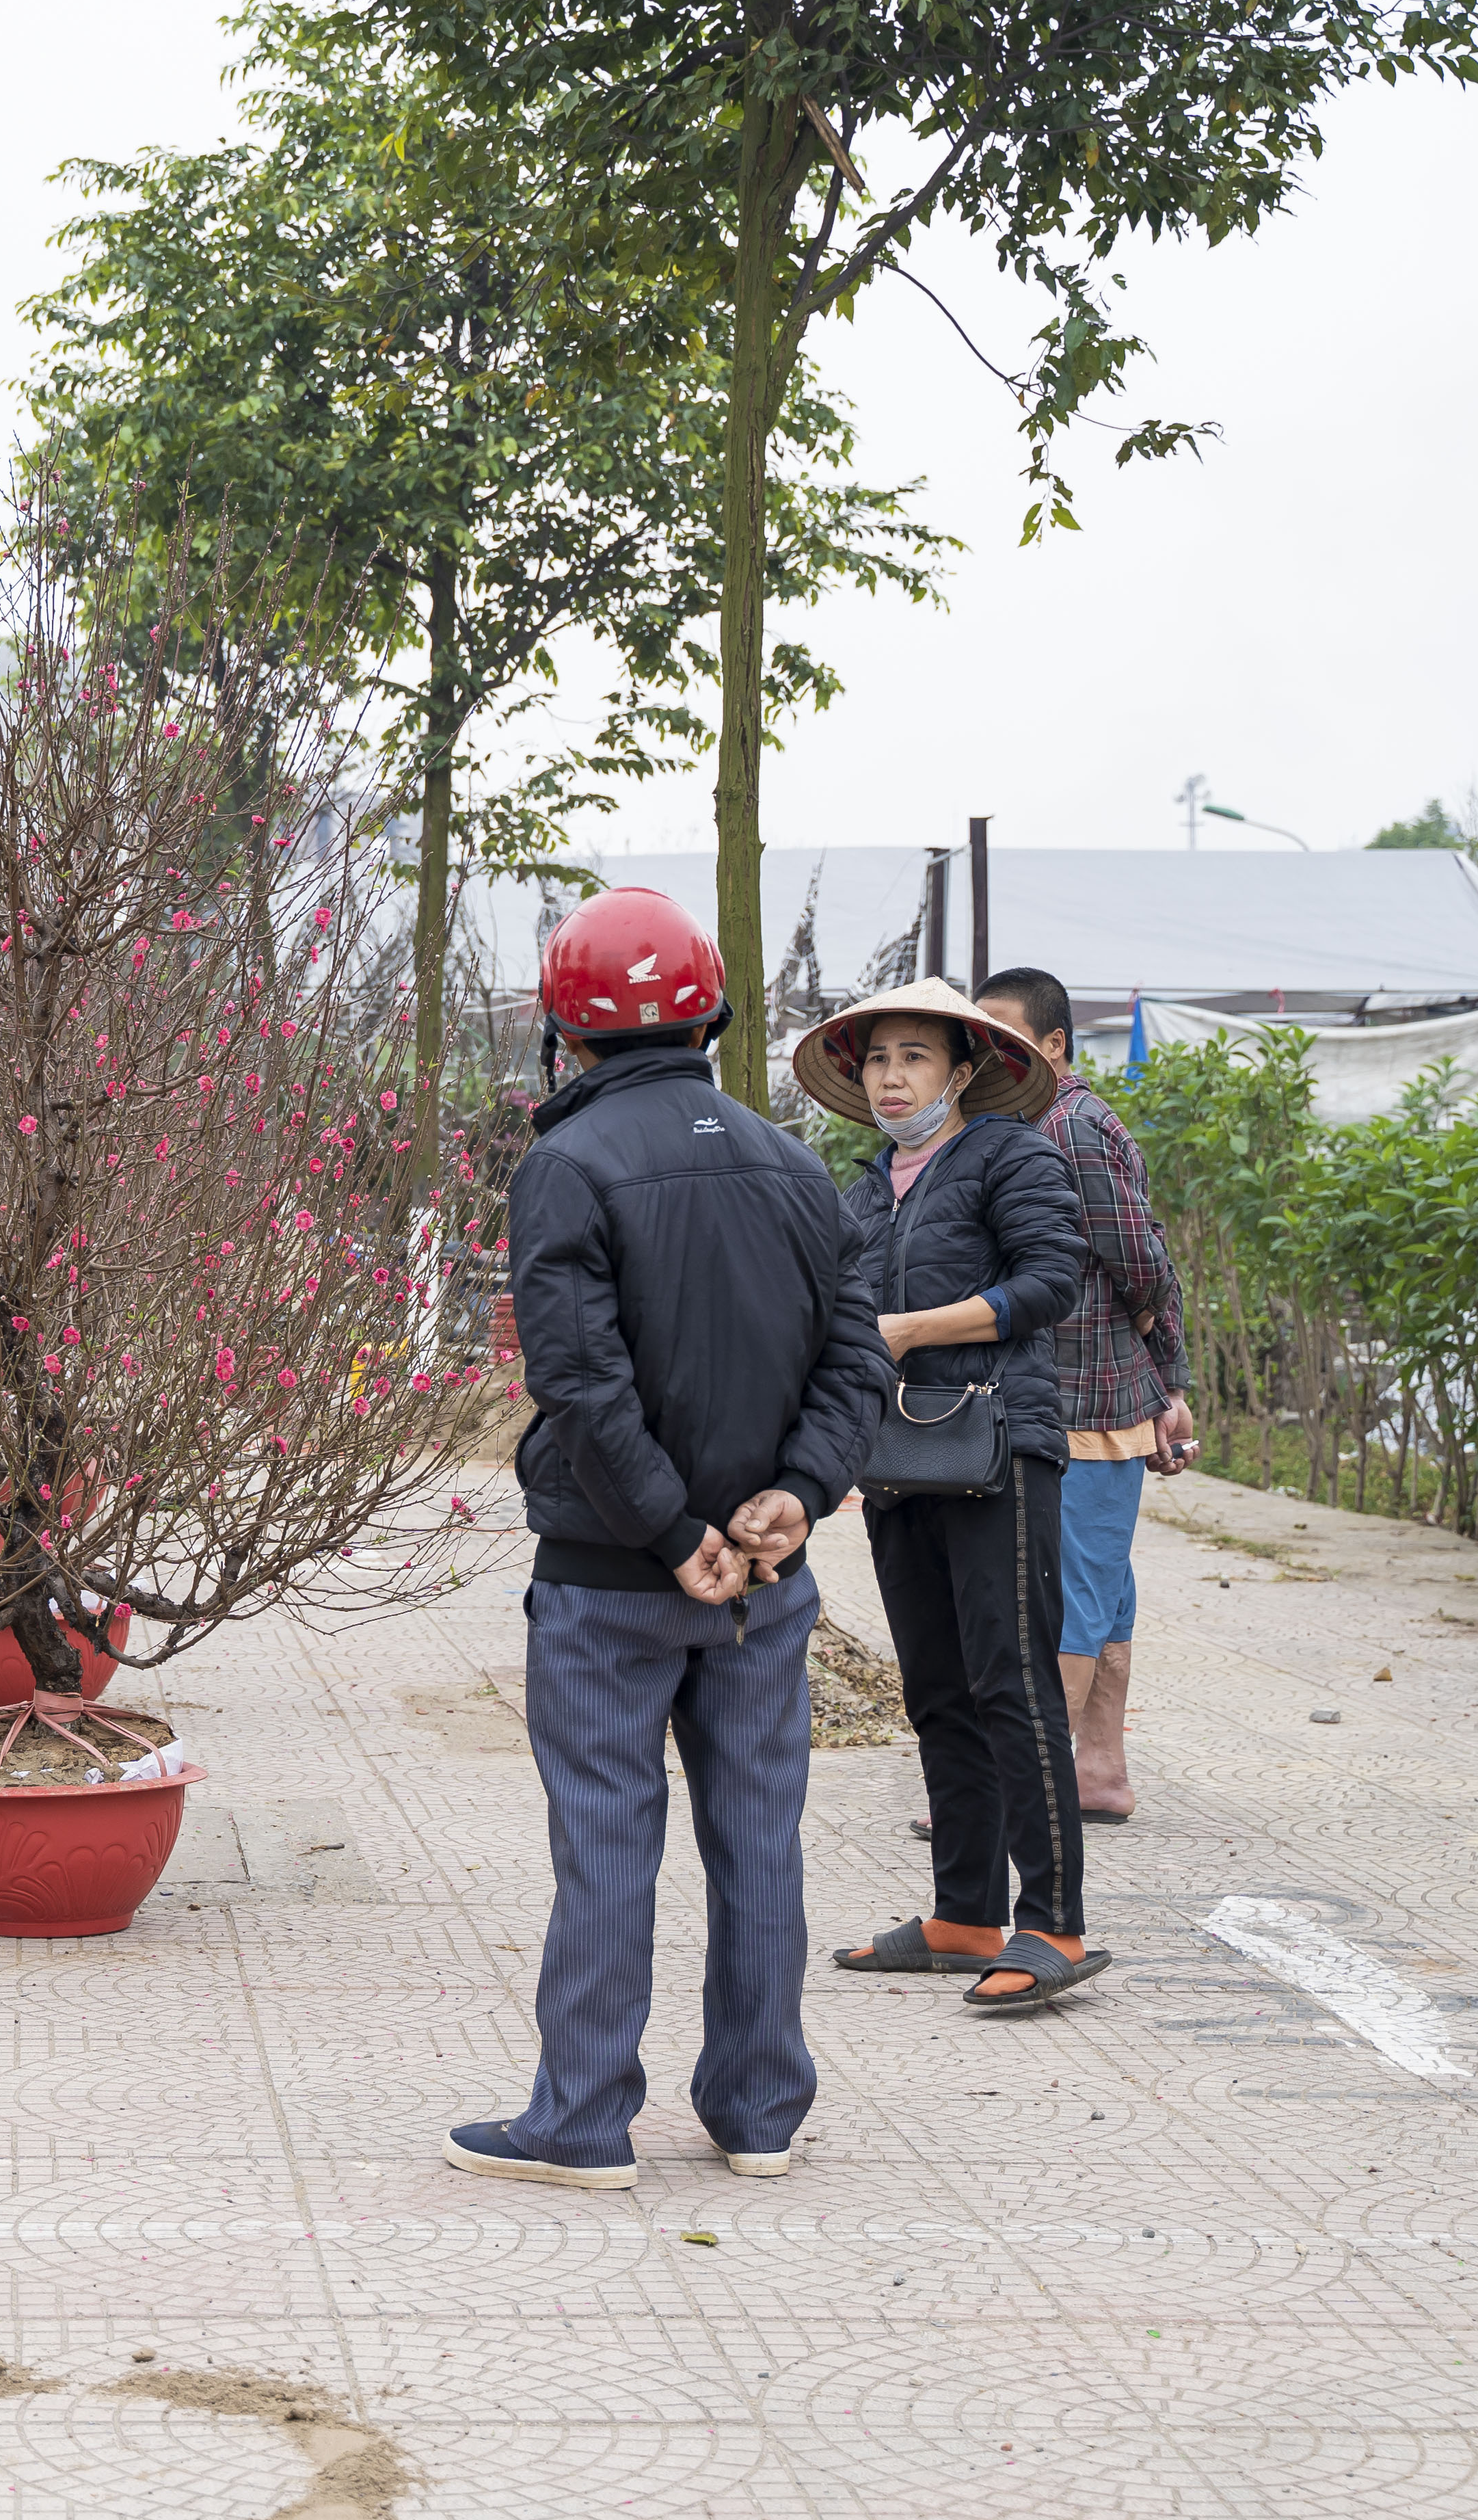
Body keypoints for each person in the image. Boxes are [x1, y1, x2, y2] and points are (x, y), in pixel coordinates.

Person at [444, 888, 889, 2193]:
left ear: (562, 1033)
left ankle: (582, 2122)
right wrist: (797, 1493)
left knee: (605, 1838)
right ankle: (759, 2113)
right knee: (761, 1837)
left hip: (611, 1575)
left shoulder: (565, 1167)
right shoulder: (796, 1165)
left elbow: (580, 1382)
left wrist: (665, 1528)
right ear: (710, 1013)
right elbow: (855, 1358)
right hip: (766, 1571)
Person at [796, 981, 1100, 2013]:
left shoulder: (1012, 1157)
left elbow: (1054, 1280)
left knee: (1012, 1681)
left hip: (1000, 1449)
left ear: (963, 1073)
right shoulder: (863, 1188)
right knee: (934, 1689)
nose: (891, 1078)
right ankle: (965, 1911)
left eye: (915, 1059)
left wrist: (916, 1329)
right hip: (898, 1463)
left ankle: (1052, 1919)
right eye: (877, 1060)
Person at [973, 968, 1198, 1824]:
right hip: (1076, 1393)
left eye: (1005, 1030)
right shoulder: (1031, 1122)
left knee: (1068, 1593)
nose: (987, 1047)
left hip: (1093, 1400)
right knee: (1104, 1591)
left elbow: (1142, 1260)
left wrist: (1167, 1382)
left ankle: (1016, 1792)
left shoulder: (1072, 1124)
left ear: (1056, 1044)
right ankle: (1099, 1771)